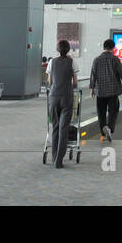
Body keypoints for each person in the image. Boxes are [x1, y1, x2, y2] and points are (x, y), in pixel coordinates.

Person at [89, 38, 122, 142]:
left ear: (103, 47)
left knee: (101, 112)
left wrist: (92, 88)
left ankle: (103, 133)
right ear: (113, 48)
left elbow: (93, 74)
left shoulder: (96, 59)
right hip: (113, 91)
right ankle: (110, 129)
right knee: (113, 111)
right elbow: (121, 72)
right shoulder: (115, 59)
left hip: (100, 91)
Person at [45, 40, 77, 168]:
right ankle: (59, 160)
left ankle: (53, 158)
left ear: (58, 49)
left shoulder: (52, 62)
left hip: (54, 97)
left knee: (56, 127)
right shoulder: (72, 61)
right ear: (68, 49)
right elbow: (75, 82)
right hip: (67, 97)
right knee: (64, 128)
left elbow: (49, 81)